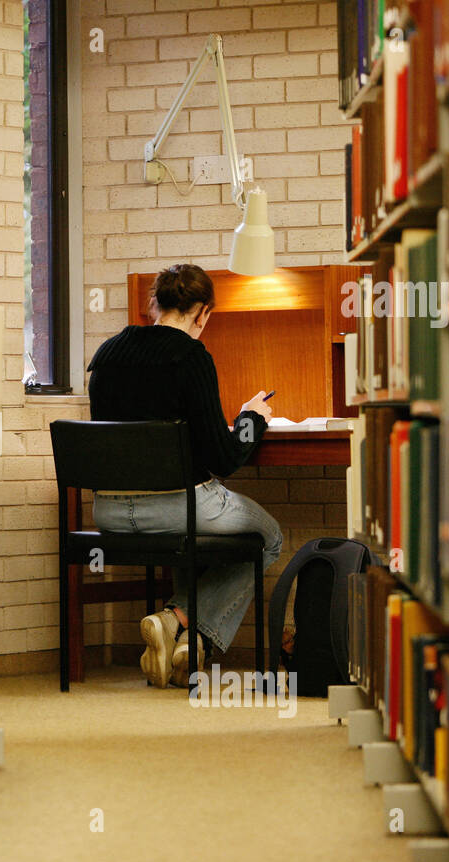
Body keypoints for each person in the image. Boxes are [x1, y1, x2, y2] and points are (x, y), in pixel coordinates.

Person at [86, 263, 282, 689]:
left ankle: (188, 648)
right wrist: (252, 417)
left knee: (193, 537)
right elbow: (224, 458)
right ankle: (176, 617)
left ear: (153, 305)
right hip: (177, 508)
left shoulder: (106, 355)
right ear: (202, 313)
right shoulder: (191, 358)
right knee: (269, 537)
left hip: (109, 512)